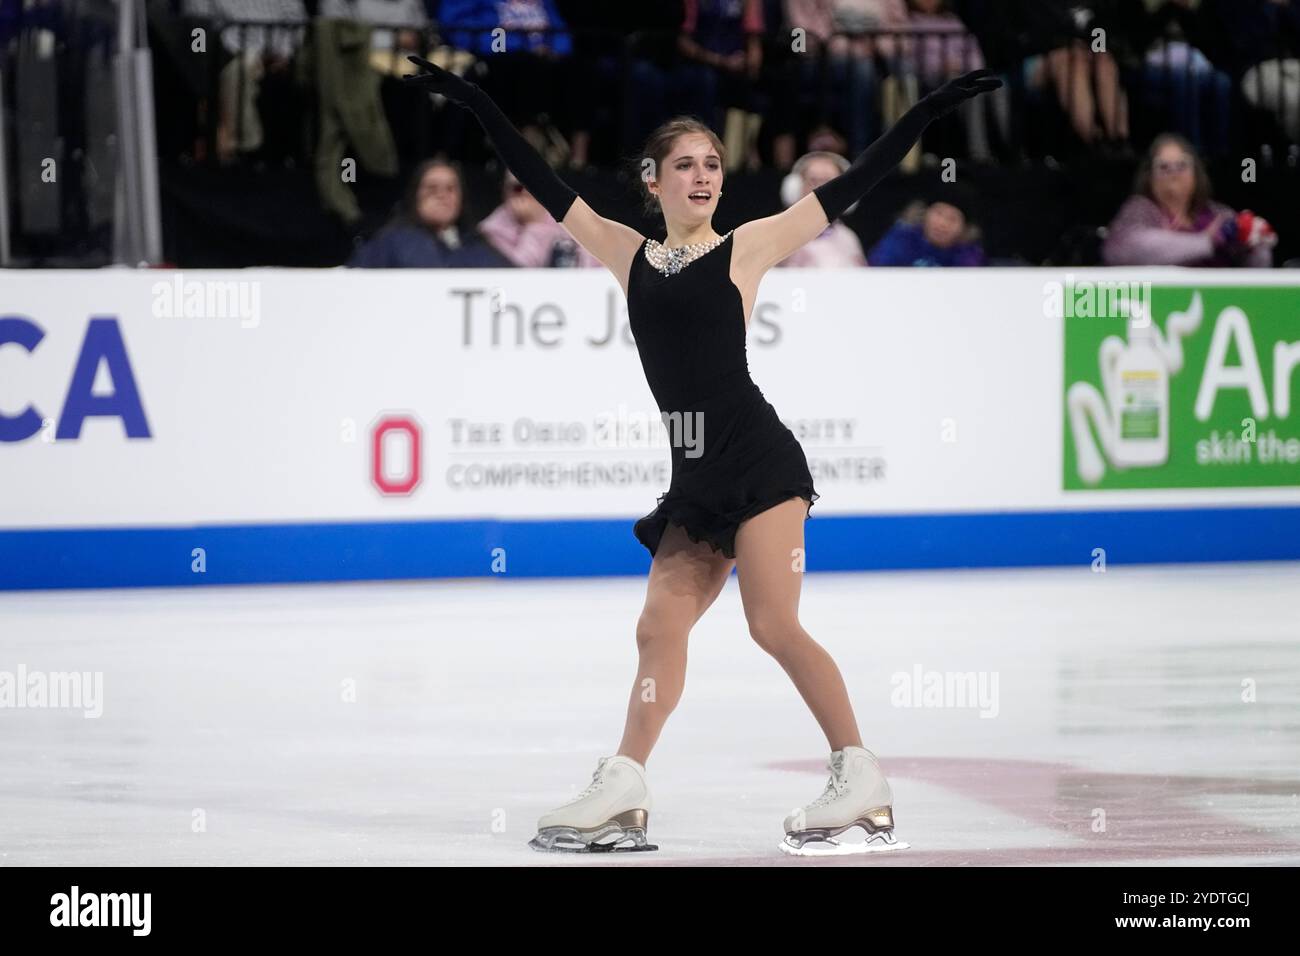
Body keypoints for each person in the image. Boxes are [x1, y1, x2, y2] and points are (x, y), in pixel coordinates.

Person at [402, 54, 999, 853]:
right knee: (658, 625)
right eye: (685, 163)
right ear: (652, 180)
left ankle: (860, 777)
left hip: (761, 465)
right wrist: (478, 105)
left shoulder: (747, 248)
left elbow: (845, 187)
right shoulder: (624, 252)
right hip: (695, 480)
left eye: (713, 163)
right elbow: (543, 182)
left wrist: (924, 114)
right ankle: (624, 784)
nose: (703, 174)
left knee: (773, 624)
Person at [1102, 133, 1276, 267]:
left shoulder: (1219, 214)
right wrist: (1207, 242)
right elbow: (1120, 251)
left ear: (1196, 174)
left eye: (1181, 166)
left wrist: (1256, 244)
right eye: (1164, 167)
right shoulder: (1138, 210)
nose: (1174, 174)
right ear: (1150, 176)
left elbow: (1257, 269)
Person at [347, 159, 509, 267]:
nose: (442, 195)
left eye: (450, 189)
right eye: (432, 188)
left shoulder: (478, 246)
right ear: (415, 196)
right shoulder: (391, 242)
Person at [774, 152, 869, 267]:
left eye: (829, 183)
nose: (821, 189)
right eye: (813, 181)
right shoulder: (777, 230)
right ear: (795, 187)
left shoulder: (848, 238)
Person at [868, 189, 986, 266]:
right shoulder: (901, 239)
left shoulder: (970, 254)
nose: (942, 224)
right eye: (938, 213)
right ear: (925, 213)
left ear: (964, 228)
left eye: (952, 219)